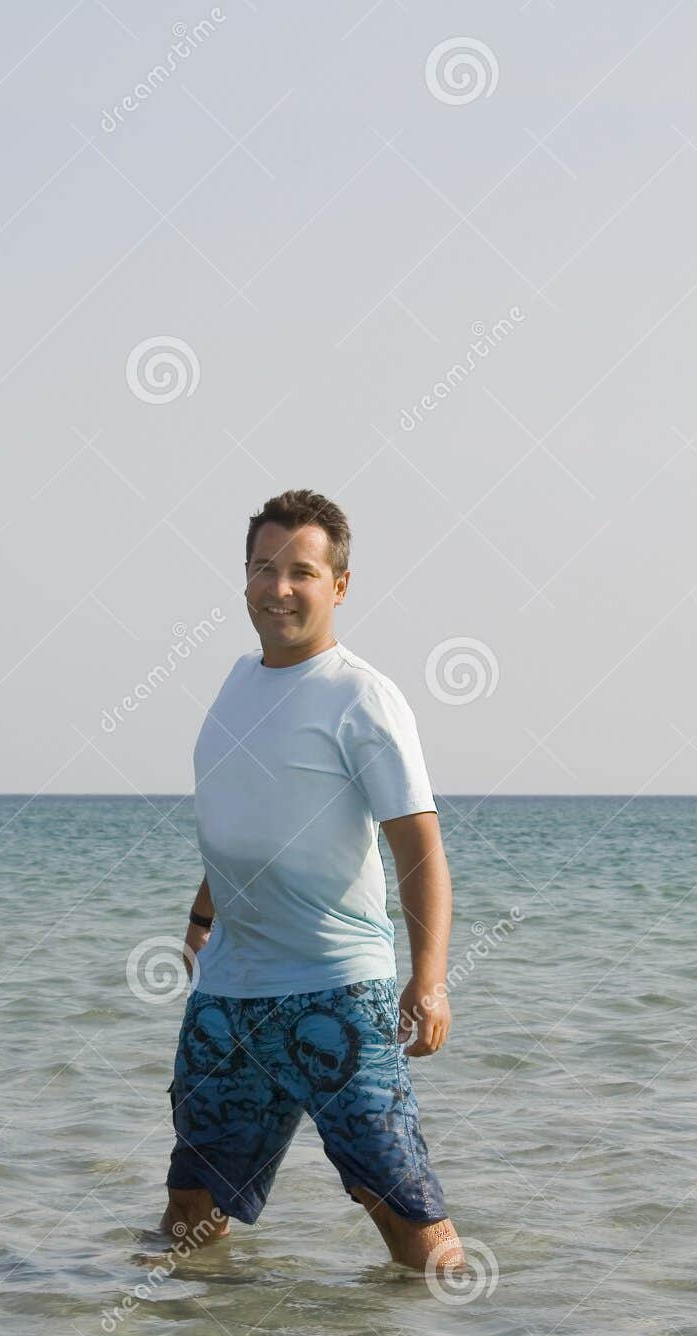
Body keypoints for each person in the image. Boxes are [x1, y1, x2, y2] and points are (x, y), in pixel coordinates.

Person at [162, 489, 464, 1273]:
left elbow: (420, 849)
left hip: (337, 995)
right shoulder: (235, 683)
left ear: (339, 585)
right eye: (263, 568)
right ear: (244, 578)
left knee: (401, 1210)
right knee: (191, 1210)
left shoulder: (362, 696)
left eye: (301, 571)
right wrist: (200, 923)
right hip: (228, 999)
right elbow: (241, 826)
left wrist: (428, 982)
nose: (279, 588)